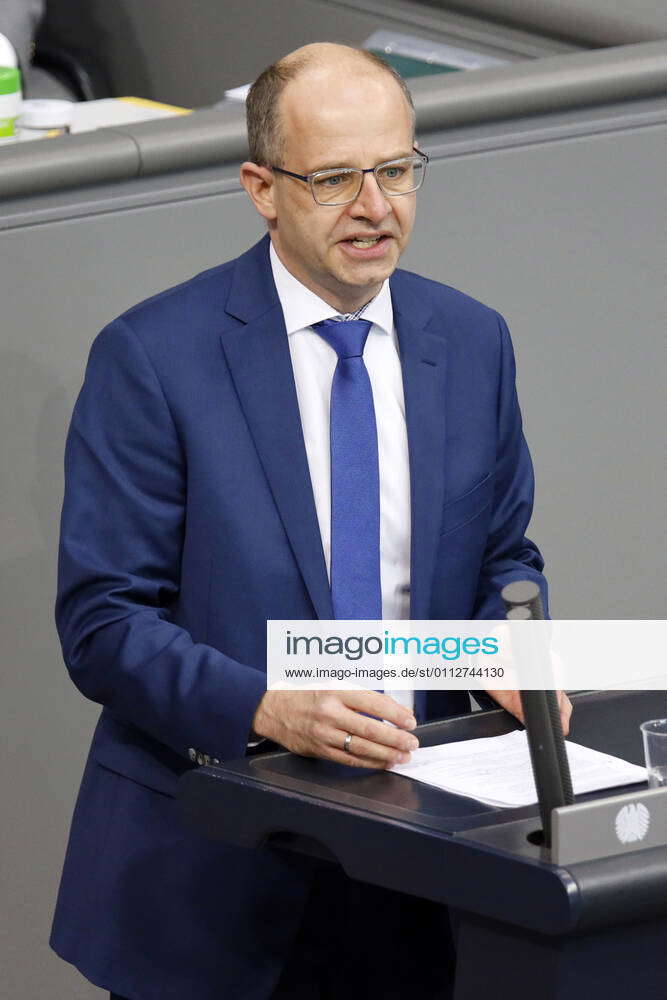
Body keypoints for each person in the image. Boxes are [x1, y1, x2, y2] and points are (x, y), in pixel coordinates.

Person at [51, 42, 571, 1000]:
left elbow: (505, 557)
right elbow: (104, 622)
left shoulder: (470, 341)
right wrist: (264, 707)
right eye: (335, 178)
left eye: (397, 170)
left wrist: (511, 658)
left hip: (426, 863)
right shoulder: (154, 358)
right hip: (220, 873)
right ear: (261, 186)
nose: (375, 207)